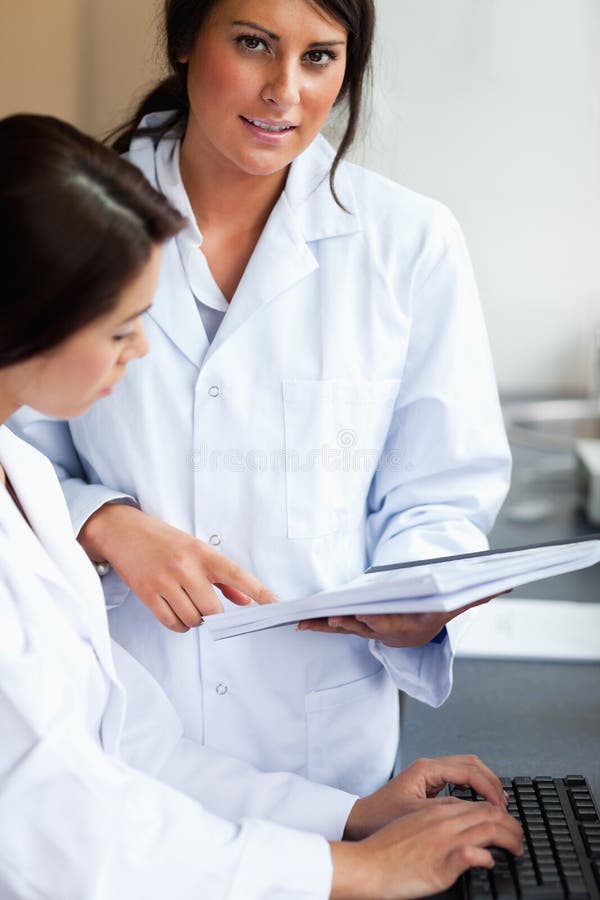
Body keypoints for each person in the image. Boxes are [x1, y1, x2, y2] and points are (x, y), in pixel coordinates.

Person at [0, 111, 523, 900]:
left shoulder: (22, 482)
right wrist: (354, 870)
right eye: (122, 327)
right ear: (27, 320)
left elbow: (136, 746)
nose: (141, 350)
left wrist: (347, 816)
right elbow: (69, 833)